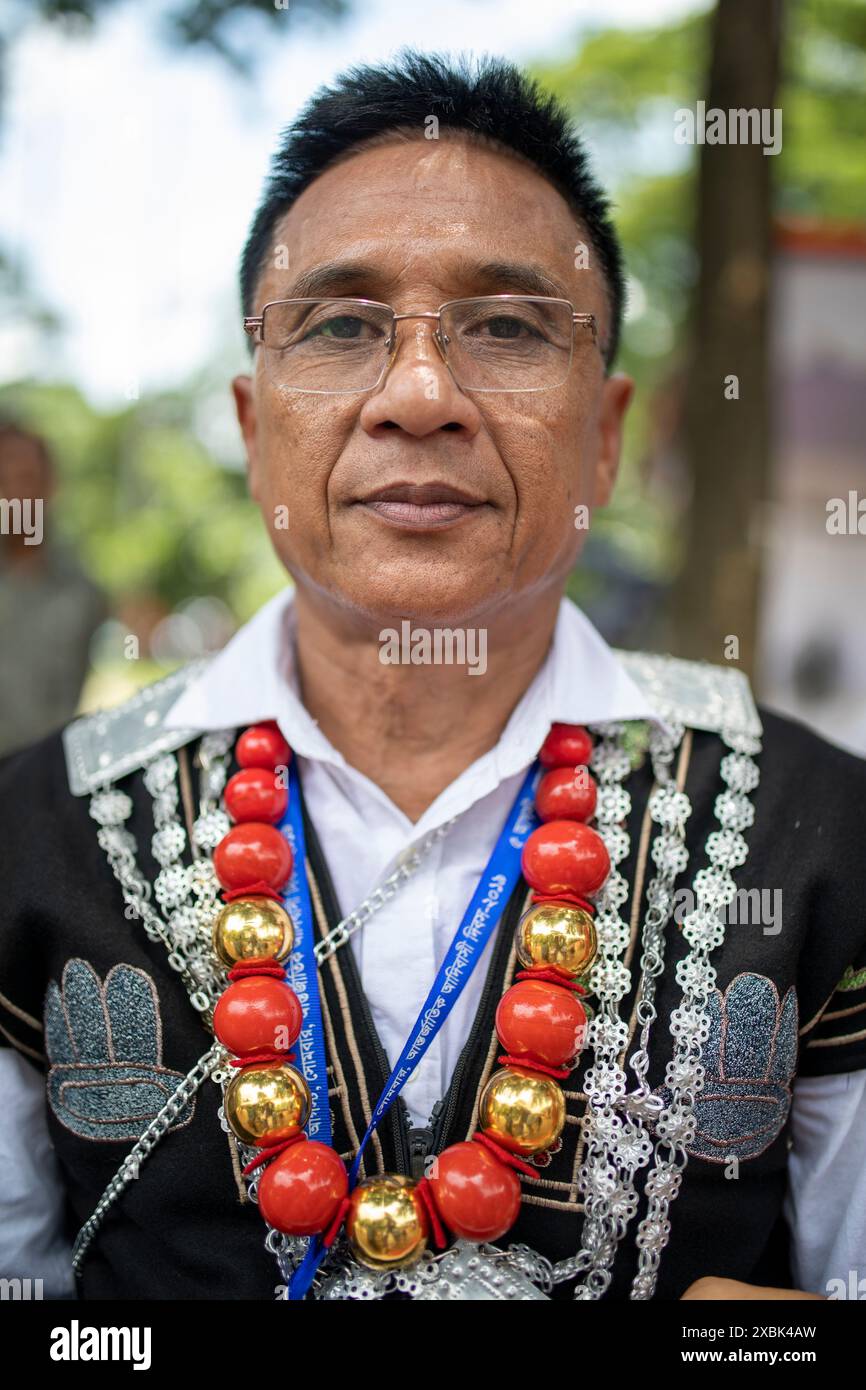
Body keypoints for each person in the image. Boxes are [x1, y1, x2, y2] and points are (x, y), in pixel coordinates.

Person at [0, 52, 864, 1303]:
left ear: (606, 435)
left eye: (507, 327)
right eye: (342, 325)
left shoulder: (825, 831)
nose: (417, 396)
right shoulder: (34, 835)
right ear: (253, 431)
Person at [0, 422, 108, 757]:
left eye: (27, 479)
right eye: (5, 482)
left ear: (50, 486)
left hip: (40, 779)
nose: (17, 496)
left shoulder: (83, 593)